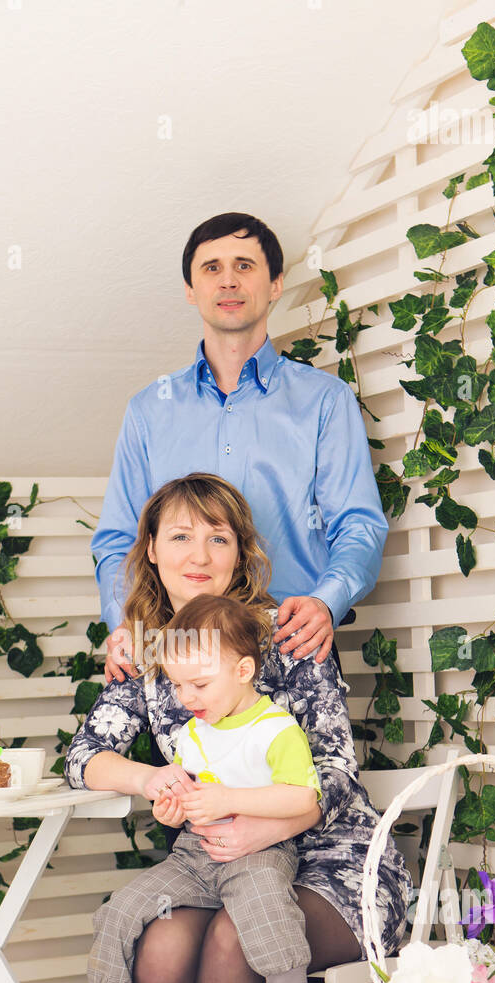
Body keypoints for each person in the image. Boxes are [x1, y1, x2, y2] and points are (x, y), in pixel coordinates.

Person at [63, 474, 412, 983]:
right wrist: (152, 781)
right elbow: (88, 758)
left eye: (219, 537)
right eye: (180, 536)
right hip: (223, 859)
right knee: (157, 945)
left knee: (226, 944)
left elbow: (325, 780)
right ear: (147, 549)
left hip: (330, 858)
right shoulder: (147, 657)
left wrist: (263, 818)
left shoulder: (285, 639)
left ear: (241, 553)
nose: (200, 553)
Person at [91, 210, 390, 687]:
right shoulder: (148, 410)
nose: (228, 281)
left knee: (303, 765)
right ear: (190, 290)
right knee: (174, 766)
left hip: (292, 642)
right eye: (211, 268)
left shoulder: (325, 402)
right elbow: (117, 539)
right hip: (175, 649)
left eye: (244, 266)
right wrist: (126, 625)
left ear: (275, 283)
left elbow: (359, 525)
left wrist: (326, 601)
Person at [58, 594, 324, 983]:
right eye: (178, 686)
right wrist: (171, 806)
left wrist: (227, 798)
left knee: (266, 908)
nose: (186, 698)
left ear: (244, 669)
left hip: (256, 852)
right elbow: (187, 794)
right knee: (120, 910)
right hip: (195, 858)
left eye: (199, 684)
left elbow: (301, 797)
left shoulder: (275, 729)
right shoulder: (195, 734)